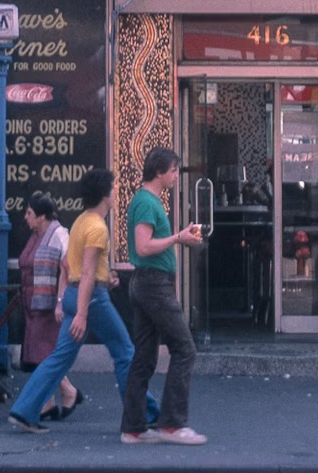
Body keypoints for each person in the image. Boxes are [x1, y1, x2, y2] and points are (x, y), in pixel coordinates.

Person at [7, 171, 159, 435]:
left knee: (59, 358)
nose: (115, 192)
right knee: (125, 353)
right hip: (92, 299)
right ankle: (143, 414)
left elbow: (73, 266)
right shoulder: (98, 228)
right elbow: (87, 272)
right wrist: (82, 312)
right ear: (104, 194)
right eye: (113, 188)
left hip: (74, 295)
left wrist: (103, 277)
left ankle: (24, 410)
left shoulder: (80, 222)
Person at [121, 147, 206, 447]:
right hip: (154, 285)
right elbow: (143, 247)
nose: (174, 175)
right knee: (184, 349)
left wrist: (178, 238)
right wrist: (178, 238)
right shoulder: (146, 202)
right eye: (172, 170)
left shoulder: (145, 200)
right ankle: (172, 424)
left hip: (146, 283)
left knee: (144, 357)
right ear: (159, 171)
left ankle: (133, 428)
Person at [16, 192, 76, 419]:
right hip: (31, 304)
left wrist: (60, 302)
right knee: (42, 354)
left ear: (42, 216)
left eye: (29, 213)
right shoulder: (35, 236)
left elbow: (69, 270)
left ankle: (54, 398)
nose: (25, 217)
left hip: (49, 305)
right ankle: (54, 399)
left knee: (45, 354)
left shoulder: (59, 235)